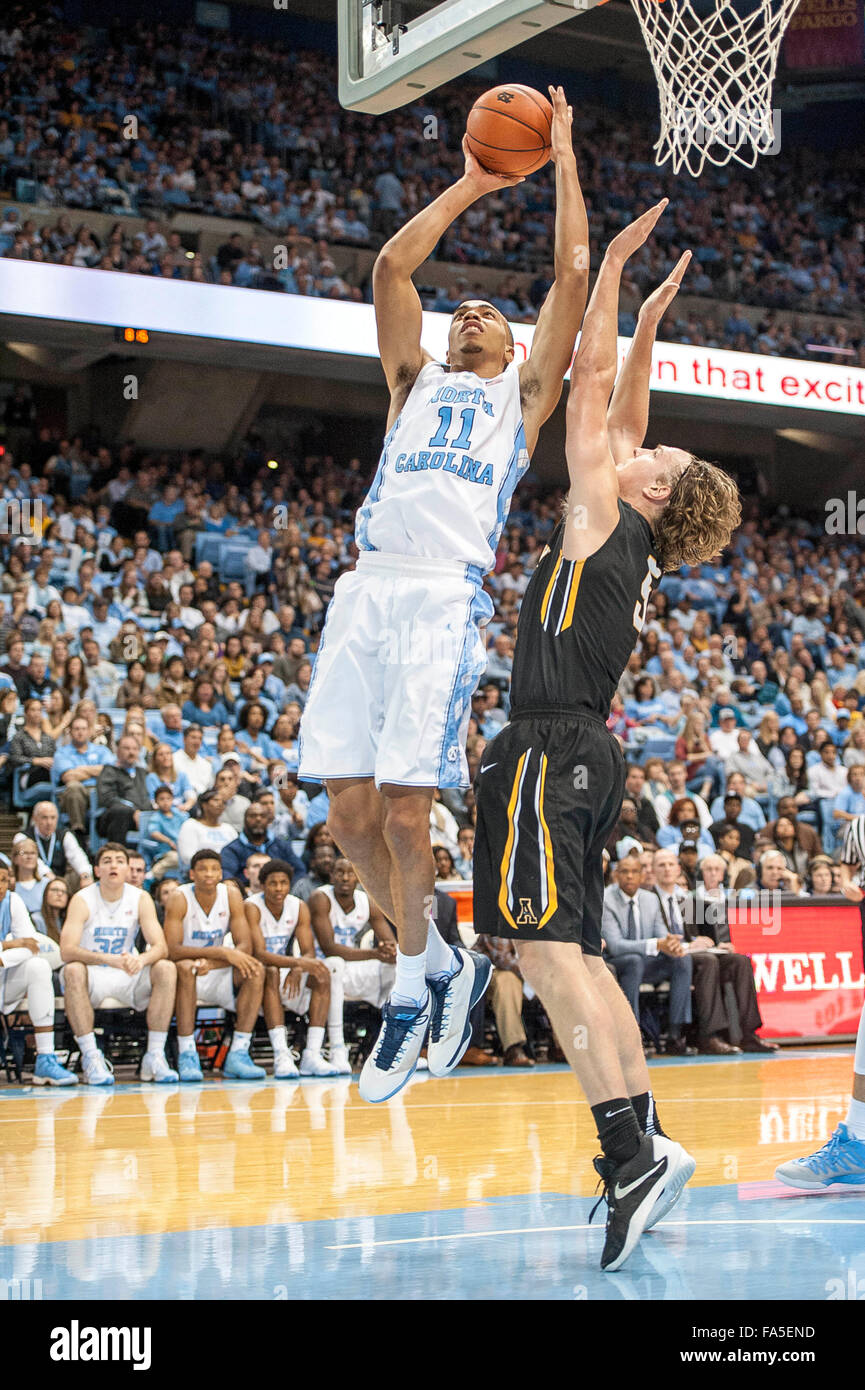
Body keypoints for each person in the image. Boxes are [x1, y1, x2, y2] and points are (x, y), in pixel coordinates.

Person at [299, 90, 590, 1104]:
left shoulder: (523, 398)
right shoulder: (408, 380)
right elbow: (390, 270)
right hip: (363, 590)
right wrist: (472, 178)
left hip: (437, 599)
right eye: (462, 309)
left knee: (408, 809)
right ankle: (437, 964)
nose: (472, 312)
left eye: (490, 315)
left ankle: (414, 988)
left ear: (514, 351)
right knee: (345, 811)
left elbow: (571, 275)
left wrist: (557, 161)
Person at [472, 204, 741, 1270]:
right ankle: (650, 1136)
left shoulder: (602, 508)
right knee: (575, 954)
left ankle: (625, 1147)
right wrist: (649, 328)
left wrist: (614, 270)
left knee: (545, 952)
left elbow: (590, 392)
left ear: (653, 484)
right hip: (585, 749)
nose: (639, 441)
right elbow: (624, 405)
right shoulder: (631, 534)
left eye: (654, 451)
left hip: (546, 748)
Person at [775, 814, 865, 1187]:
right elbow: (850, 873)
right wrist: (850, 882)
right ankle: (858, 1141)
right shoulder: (859, 826)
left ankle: (859, 1141)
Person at [60, 842, 179, 1084]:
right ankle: (91, 1056)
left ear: (128, 869)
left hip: (128, 973)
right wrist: (106, 959)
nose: (113, 865)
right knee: (71, 970)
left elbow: (161, 947)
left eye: (119, 861)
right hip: (94, 974)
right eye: (107, 861)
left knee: (166, 967)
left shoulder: (140, 898)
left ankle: (154, 1056)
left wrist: (141, 959)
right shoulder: (82, 899)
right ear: (97, 870)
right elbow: (67, 950)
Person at [652, 849, 774, 1054]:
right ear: (654, 870)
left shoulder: (689, 899)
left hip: (694, 953)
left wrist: (719, 944)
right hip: (668, 956)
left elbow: (702, 935)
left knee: (739, 961)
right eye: (661, 865)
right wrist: (691, 945)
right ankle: (710, 1036)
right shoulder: (648, 897)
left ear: (678, 869)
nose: (667, 869)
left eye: (670, 864)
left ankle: (748, 1034)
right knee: (708, 962)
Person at [163, 849, 266, 1082]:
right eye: (202, 869)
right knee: (185, 967)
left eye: (214, 869)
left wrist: (213, 961)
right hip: (187, 972)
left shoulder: (230, 895)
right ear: (191, 874)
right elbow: (173, 950)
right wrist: (220, 951)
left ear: (221, 873)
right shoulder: (179, 897)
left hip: (216, 970)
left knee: (255, 970)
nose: (209, 874)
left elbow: (244, 946)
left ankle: (238, 1052)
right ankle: (187, 1052)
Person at [245, 858, 339, 1077]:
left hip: (285, 966)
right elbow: (259, 954)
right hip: (255, 974)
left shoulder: (298, 906)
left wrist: (299, 968)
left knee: (322, 971)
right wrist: (297, 963)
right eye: (273, 883)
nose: (279, 888)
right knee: (270, 971)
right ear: (262, 884)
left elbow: (308, 951)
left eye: (284, 883)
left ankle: (312, 1054)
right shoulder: (251, 907)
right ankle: (281, 1054)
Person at [308, 857, 398, 1072]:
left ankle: (391, 1045)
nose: (345, 877)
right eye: (340, 872)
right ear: (332, 877)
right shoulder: (320, 898)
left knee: (398, 966)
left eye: (351, 872)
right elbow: (329, 948)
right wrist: (375, 954)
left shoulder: (367, 900)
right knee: (336, 964)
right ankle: (338, 1048)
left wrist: (390, 951)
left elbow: (388, 940)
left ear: (359, 877)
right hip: (321, 966)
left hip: (353, 965)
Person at [0, 861, 76, 1085]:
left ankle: (45, 1059)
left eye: (4, 880)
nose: (0, 885)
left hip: (5, 978)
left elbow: (31, 945)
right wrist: (8, 945)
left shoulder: (13, 901)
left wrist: (3, 958)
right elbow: (20, 944)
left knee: (39, 966)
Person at [21, 800, 92, 891]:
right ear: (35, 818)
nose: (49, 822)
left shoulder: (64, 835)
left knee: (81, 876)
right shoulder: (23, 837)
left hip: (59, 880)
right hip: (35, 881)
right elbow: (32, 861)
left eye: (53, 818)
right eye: (44, 817)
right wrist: (47, 874)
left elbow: (77, 856)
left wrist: (85, 874)